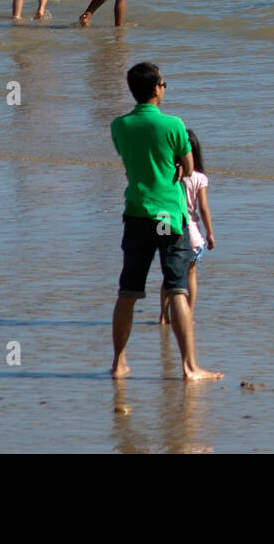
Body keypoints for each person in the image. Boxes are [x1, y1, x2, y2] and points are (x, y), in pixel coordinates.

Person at [109, 62, 221, 381]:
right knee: (177, 288)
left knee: (128, 291)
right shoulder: (173, 125)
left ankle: (118, 363)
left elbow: (130, 164)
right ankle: (189, 367)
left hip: (136, 212)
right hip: (166, 216)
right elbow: (188, 167)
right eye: (164, 83)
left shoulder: (119, 125)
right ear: (157, 87)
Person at [160, 130, 214, 325]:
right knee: (190, 275)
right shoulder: (199, 178)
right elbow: (204, 208)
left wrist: (160, 232)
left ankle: (164, 316)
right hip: (192, 234)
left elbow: (162, 205)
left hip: (168, 226)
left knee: (168, 275)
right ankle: (188, 314)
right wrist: (210, 234)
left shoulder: (168, 175)